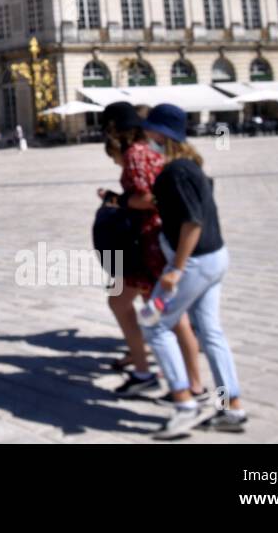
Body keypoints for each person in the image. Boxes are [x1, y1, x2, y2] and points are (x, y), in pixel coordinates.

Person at [138, 103, 247, 439]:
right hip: (215, 257)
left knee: (153, 324)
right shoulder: (190, 165)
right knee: (211, 331)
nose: (145, 136)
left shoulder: (177, 172)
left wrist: (176, 269)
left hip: (194, 262)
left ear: (160, 134)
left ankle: (184, 404)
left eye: (149, 130)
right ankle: (232, 406)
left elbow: (191, 222)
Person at [95, 102, 205, 400]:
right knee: (122, 302)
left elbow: (146, 198)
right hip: (150, 239)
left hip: (148, 242)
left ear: (115, 128)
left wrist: (116, 201)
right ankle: (148, 369)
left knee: (167, 313)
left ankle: (188, 384)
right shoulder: (152, 149)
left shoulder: (134, 155)